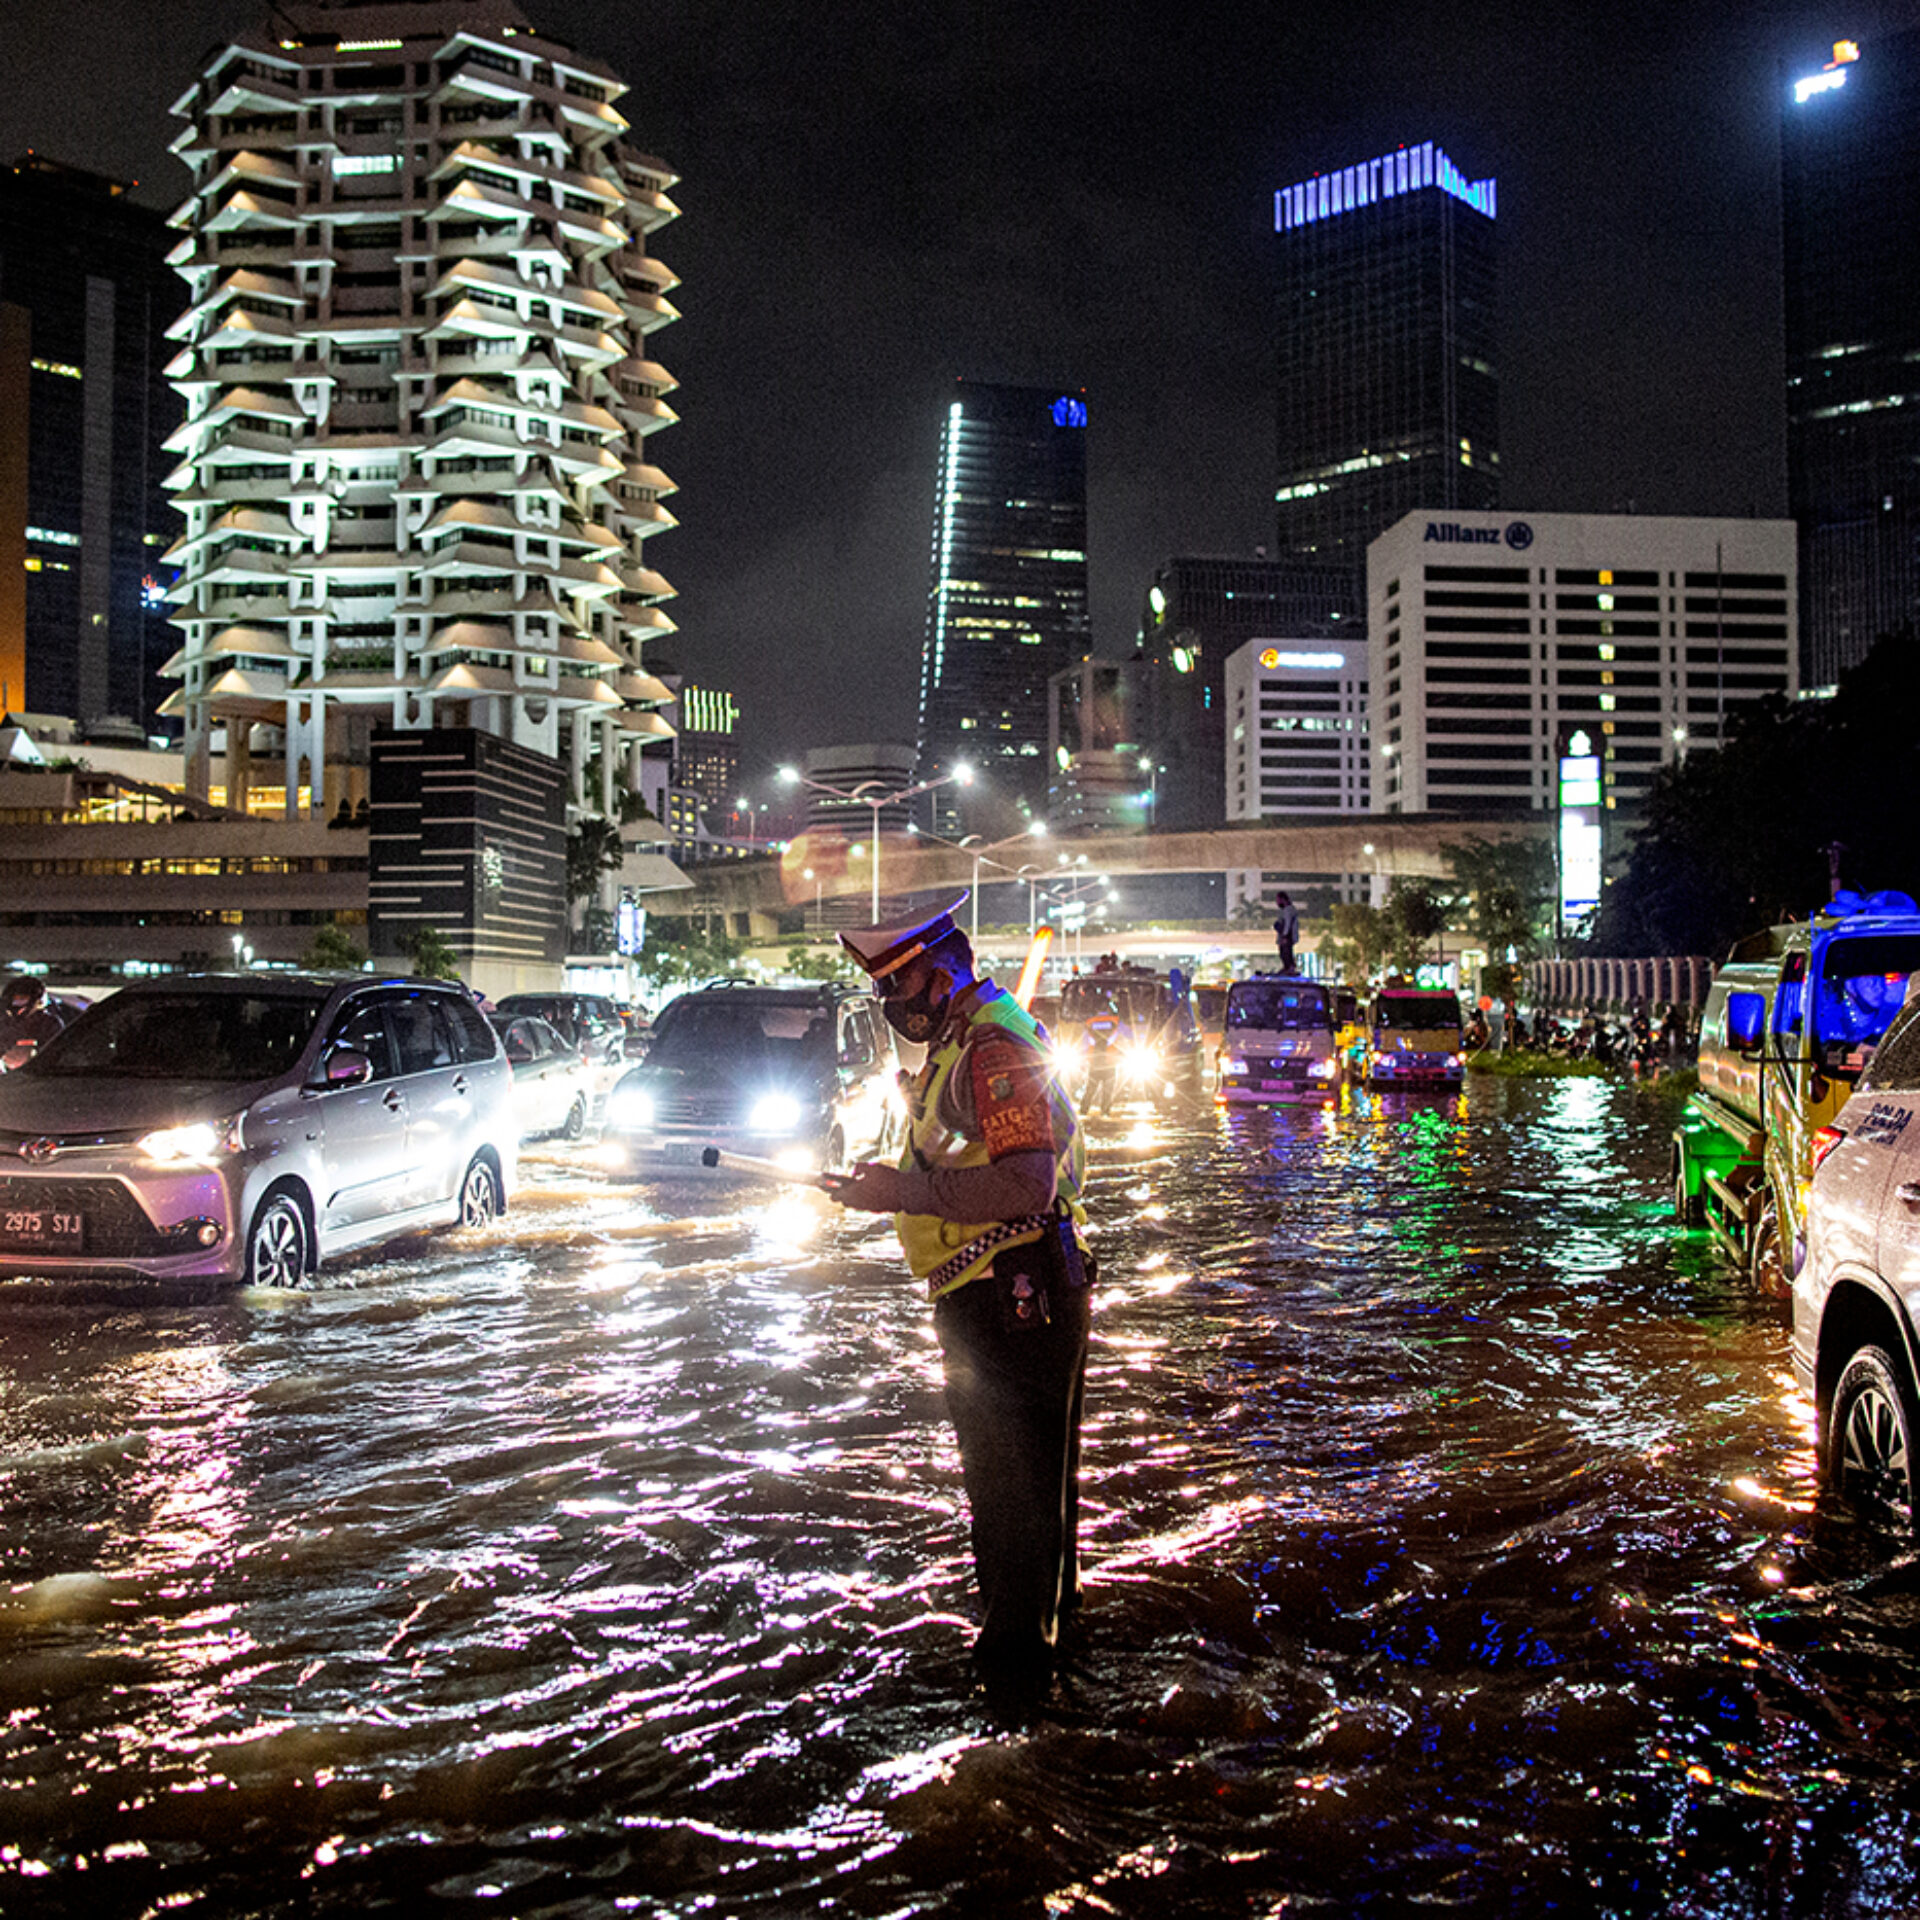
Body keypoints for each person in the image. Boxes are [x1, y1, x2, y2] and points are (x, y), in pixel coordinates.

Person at [831, 896, 1093, 1691]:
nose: (890, 1004)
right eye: (881, 990)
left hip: (1010, 1294)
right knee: (1029, 1498)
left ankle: (1015, 1693)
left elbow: (1025, 1183)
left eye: (898, 986)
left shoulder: (991, 1048)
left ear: (942, 977)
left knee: (1011, 1500)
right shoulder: (966, 1042)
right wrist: (888, 1185)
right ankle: (1051, 1664)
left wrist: (901, 1195)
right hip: (1007, 1290)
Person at [0, 976, 66, 1063]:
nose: (16, 1004)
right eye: (14, 999)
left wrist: (32, 1055)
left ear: (38, 1001)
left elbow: (57, 1055)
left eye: (22, 999)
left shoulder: (50, 1024)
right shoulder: (5, 1023)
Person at [1272, 892, 1299, 973]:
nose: (1277, 902)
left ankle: (1290, 967)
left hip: (1287, 936)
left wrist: (1285, 935)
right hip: (1284, 935)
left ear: (1283, 899)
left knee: (1286, 952)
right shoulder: (1284, 910)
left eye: (1278, 900)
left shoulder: (1288, 910)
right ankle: (1287, 967)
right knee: (1283, 952)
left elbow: (1288, 923)